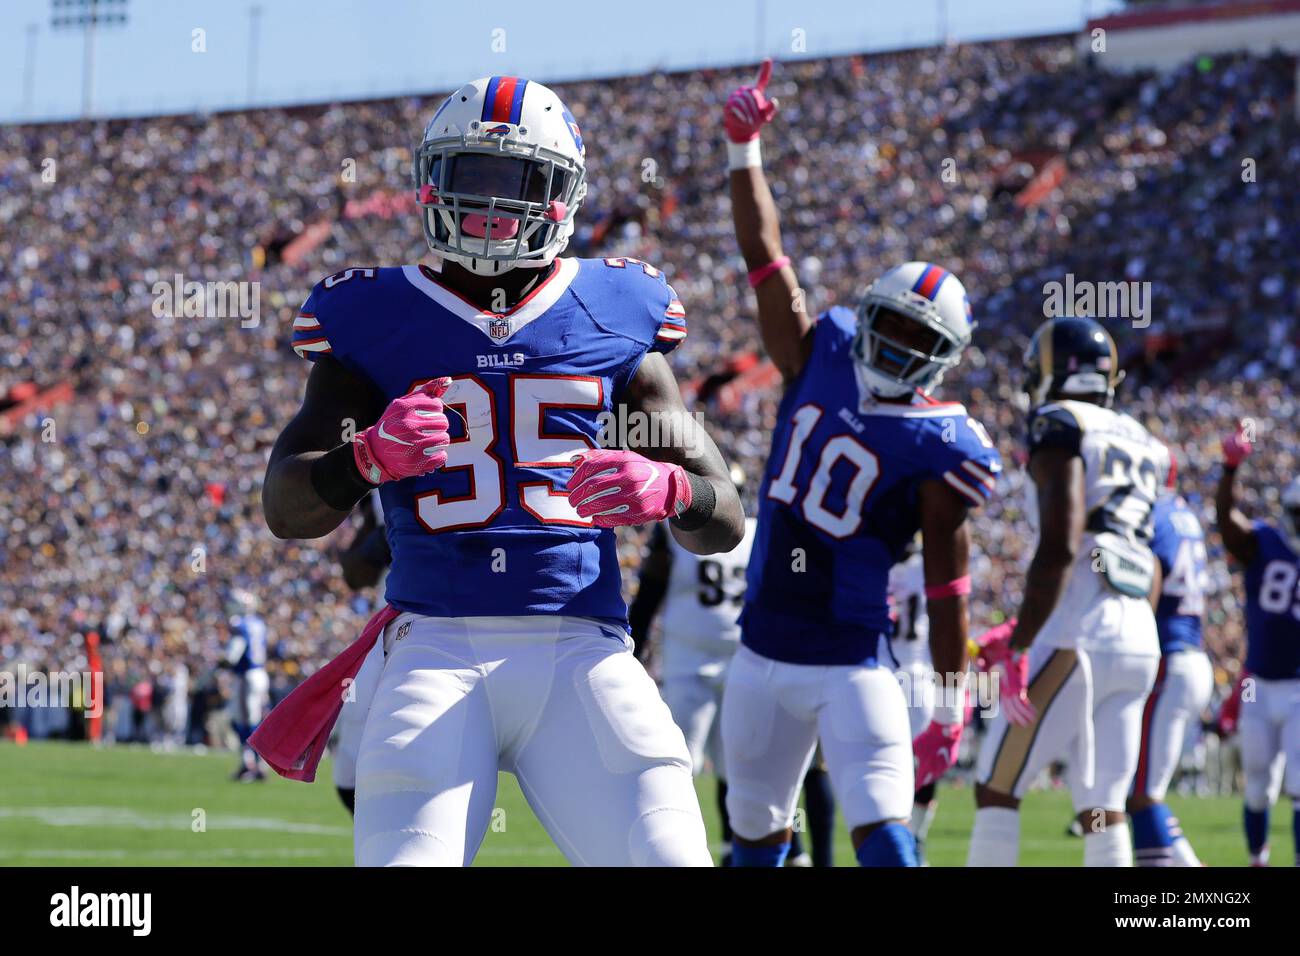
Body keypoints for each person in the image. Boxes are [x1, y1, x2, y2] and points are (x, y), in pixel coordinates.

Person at [261, 76, 745, 866]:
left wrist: (674, 489)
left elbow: (723, 518)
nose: (490, 203)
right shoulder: (374, 314)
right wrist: (365, 457)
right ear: (430, 179)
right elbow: (287, 507)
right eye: (469, 175)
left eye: (514, 179)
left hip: (584, 650)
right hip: (435, 647)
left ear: (564, 193)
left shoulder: (617, 305)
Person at [719, 61, 1000, 867]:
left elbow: (950, 589)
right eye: (894, 327)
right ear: (866, 315)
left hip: (851, 662)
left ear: (944, 361)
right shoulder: (819, 351)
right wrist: (744, 152)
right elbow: (763, 254)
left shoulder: (941, 442)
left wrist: (948, 706)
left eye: (921, 342)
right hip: (763, 651)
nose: (900, 348)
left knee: (883, 840)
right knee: (757, 846)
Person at [968, 316, 1169, 867]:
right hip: (1138, 635)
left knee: (996, 788)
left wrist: (1019, 642)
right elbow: (1150, 560)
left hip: (1075, 629)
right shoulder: (1148, 443)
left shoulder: (1060, 422)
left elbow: (1061, 542)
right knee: (1104, 807)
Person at [1215, 424, 1300, 866]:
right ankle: (1257, 861)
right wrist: (1229, 470)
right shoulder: (1264, 542)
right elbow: (1226, 523)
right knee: (1256, 785)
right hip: (1257, 683)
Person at [1128, 482, 1213, 866]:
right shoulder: (1186, 518)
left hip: (1169, 660)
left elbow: (1152, 581)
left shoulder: (1156, 516)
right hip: (1193, 657)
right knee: (1142, 791)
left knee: (1143, 794)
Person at [222, 590, 269, 781]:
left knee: (243, 722)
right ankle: (253, 763)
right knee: (251, 720)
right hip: (260, 674)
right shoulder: (258, 623)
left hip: (246, 676)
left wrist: (221, 663)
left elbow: (233, 655)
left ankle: (251, 764)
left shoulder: (240, 624)